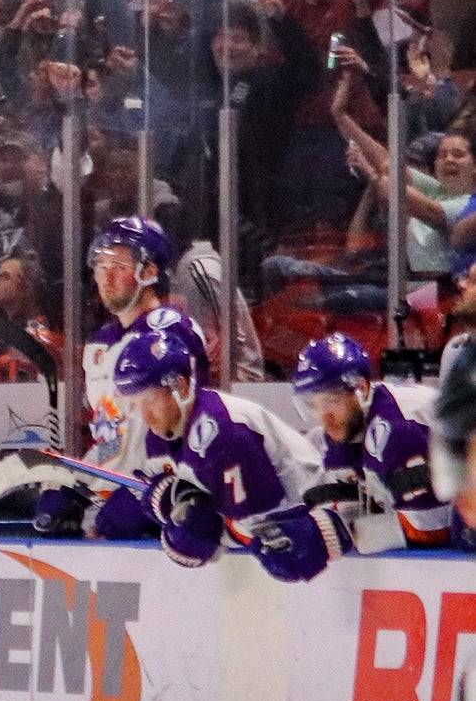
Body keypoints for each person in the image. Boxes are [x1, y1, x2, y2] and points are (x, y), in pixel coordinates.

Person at [112, 330, 340, 582]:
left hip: (319, 526)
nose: (145, 416)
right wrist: (176, 505)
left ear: (181, 386)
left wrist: (196, 527)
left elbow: (268, 536)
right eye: (135, 404)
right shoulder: (161, 434)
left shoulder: (222, 432)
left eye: (150, 400)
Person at [34, 217, 203, 536]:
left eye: (119, 267)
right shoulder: (100, 342)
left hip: (163, 484)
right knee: (50, 511)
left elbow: (185, 427)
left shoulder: (171, 331)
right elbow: (109, 431)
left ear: (150, 272)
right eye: (100, 266)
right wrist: (77, 481)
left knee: (113, 527)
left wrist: (155, 489)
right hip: (114, 480)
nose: (106, 278)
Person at [292, 332, 465, 553]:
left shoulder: (397, 427)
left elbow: (430, 530)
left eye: (331, 400)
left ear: (362, 388)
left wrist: (342, 536)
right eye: (313, 405)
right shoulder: (336, 435)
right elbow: (337, 505)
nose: (325, 417)